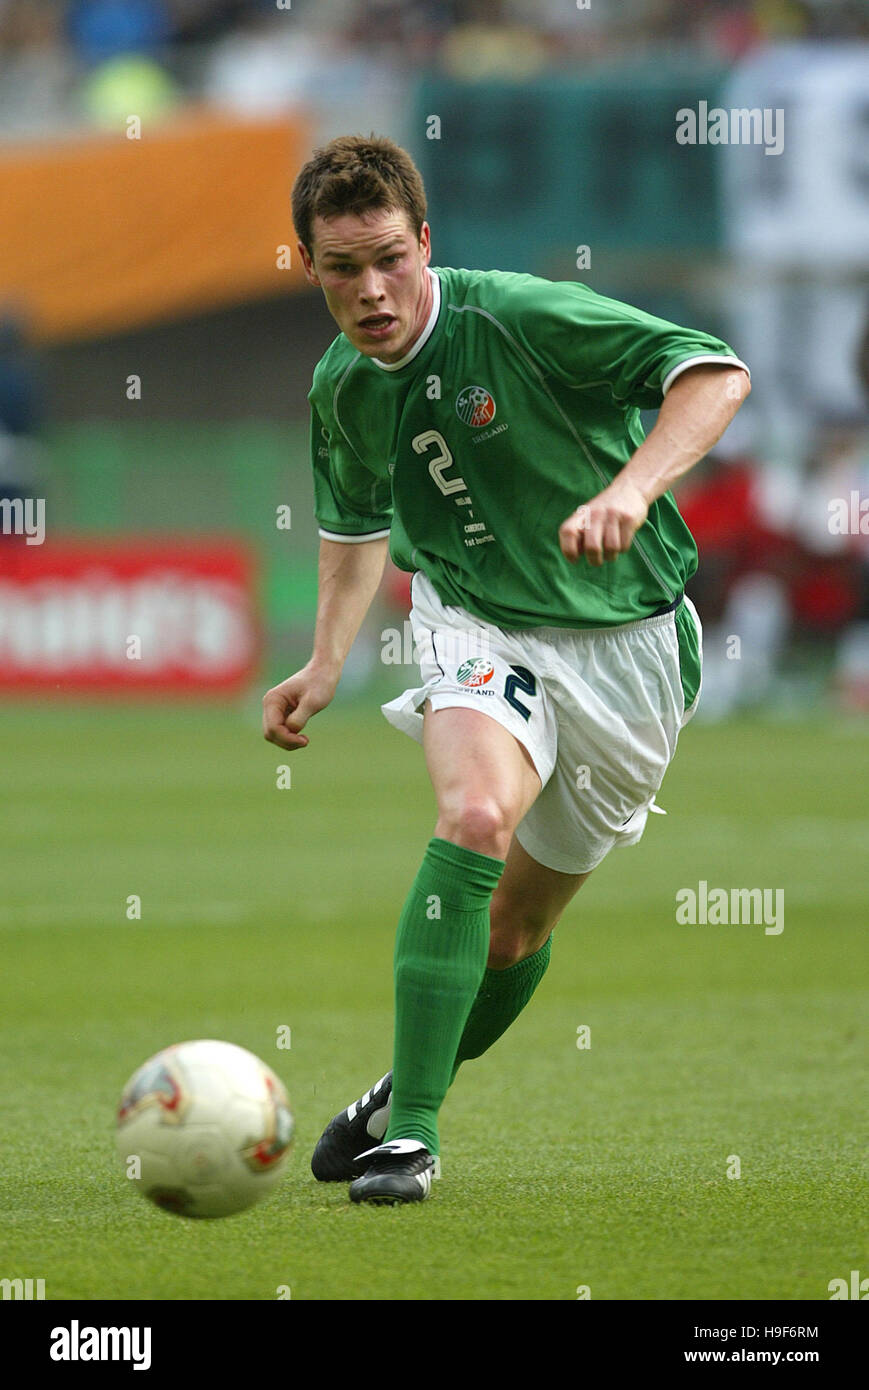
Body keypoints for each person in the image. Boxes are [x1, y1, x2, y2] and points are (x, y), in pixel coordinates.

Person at [262, 134, 751, 1205]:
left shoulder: (518, 316)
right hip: (471, 621)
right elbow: (353, 528)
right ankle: (415, 1142)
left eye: (389, 257)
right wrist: (323, 662)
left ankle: (394, 1097)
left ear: (425, 242)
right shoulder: (343, 386)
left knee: (513, 931)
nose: (371, 289)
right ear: (308, 267)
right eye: (341, 269)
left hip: (629, 648)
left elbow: (714, 374)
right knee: (473, 818)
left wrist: (629, 489)